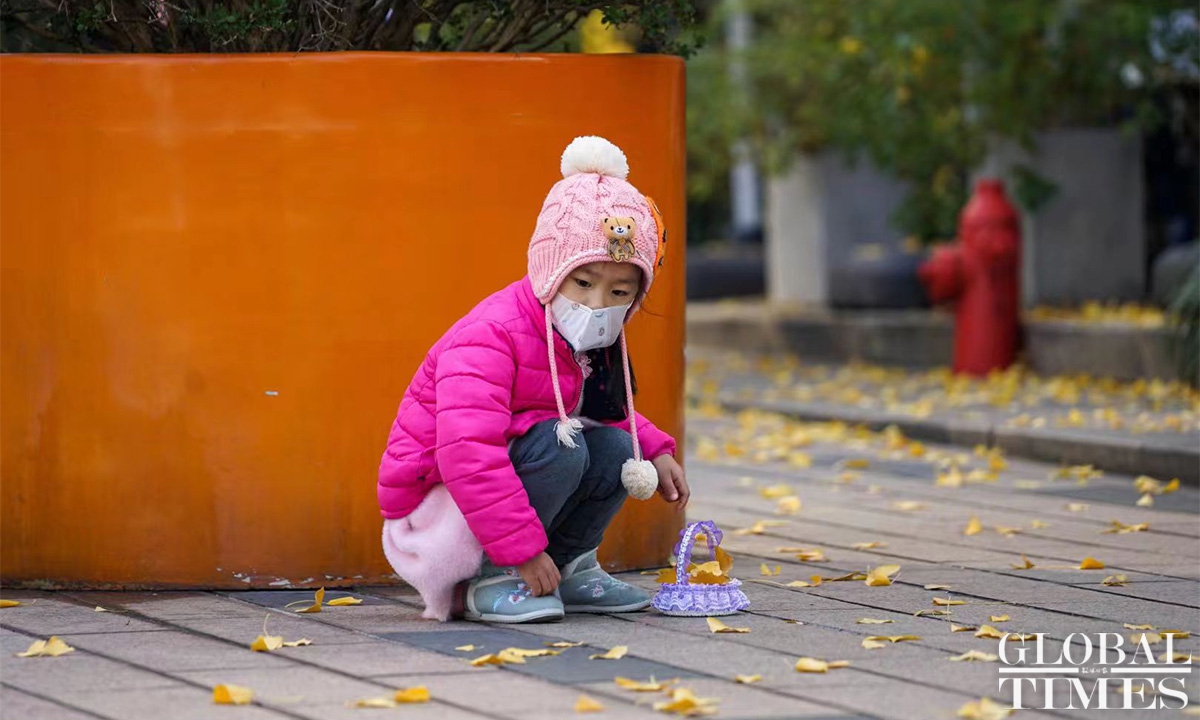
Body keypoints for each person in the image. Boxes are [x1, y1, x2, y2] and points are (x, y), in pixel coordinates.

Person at [377, 136, 689, 623]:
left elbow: (586, 407)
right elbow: (466, 451)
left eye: (620, 290)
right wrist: (519, 549)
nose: (596, 303)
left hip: (493, 503)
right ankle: (492, 577)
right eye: (582, 282)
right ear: (550, 270)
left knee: (612, 449)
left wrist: (654, 447)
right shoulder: (490, 335)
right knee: (562, 446)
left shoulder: (577, 339)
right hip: (440, 517)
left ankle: (569, 566)